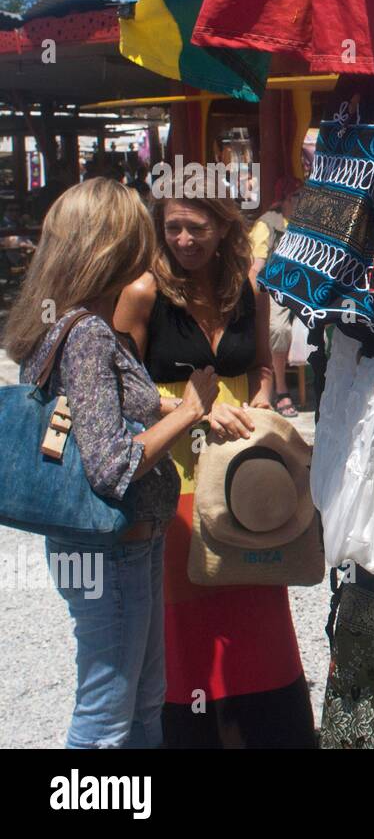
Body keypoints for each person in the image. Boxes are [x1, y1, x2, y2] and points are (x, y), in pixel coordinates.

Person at [4, 178, 218, 748]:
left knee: (142, 702)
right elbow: (111, 464)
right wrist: (190, 410)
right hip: (111, 549)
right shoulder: (90, 335)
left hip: (116, 546)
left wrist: (178, 409)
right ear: (112, 247)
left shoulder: (64, 322)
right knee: (106, 717)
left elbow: (109, 411)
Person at [115, 191, 316, 748]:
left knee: (257, 607)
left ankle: (267, 733)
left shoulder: (250, 290)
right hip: (174, 477)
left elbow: (260, 368)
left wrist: (258, 401)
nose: (184, 240)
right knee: (189, 618)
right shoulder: (142, 293)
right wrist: (190, 408)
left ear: (224, 228)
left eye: (196, 228)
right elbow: (118, 389)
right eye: (173, 229)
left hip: (243, 472)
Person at [248, 178, 300, 417]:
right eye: (297, 196)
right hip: (277, 286)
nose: (303, 201)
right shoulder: (267, 225)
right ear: (286, 199)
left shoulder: (307, 222)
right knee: (278, 329)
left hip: (302, 286)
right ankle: (281, 390)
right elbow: (256, 267)